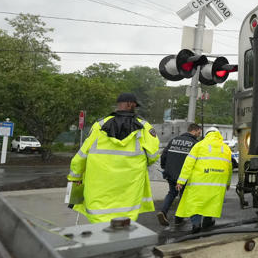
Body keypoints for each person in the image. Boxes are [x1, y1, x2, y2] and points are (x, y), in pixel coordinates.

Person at [67, 93, 160, 223]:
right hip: (129, 187)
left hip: (98, 188)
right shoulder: (144, 127)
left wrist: (74, 178)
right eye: (135, 105)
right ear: (130, 104)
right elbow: (153, 156)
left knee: (99, 229)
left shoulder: (99, 125)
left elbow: (81, 156)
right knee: (125, 227)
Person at [174, 126, 232, 234]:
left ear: (206, 134)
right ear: (218, 134)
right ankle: (207, 222)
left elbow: (188, 163)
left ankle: (196, 224)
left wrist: (181, 181)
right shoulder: (226, 148)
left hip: (199, 180)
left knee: (196, 202)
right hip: (218, 182)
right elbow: (229, 168)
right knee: (211, 201)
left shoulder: (199, 145)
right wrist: (228, 183)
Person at [157, 123, 201, 226]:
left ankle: (163, 212)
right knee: (184, 195)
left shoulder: (174, 140)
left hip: (170, 173)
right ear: (194, 130)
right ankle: (178, 218)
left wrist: (164, 167)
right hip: (184, 175)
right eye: (199, 131)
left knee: (172, 192)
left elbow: (164, 155)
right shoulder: (195, 144)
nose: (199, 134)